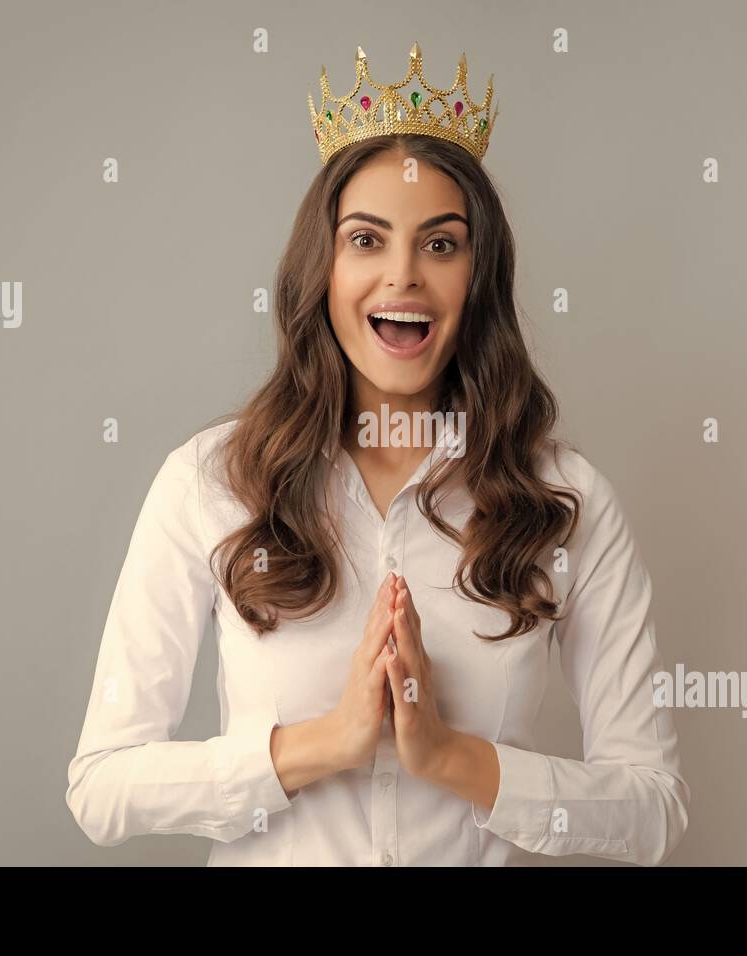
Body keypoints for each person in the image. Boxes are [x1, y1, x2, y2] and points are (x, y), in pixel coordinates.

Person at [65, 41, 690, 866]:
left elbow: (654, 808)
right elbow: (102, 787)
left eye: (441, 245)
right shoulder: (212, 483)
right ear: (321, 268)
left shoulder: (564, 501)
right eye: (366, 240)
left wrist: (449, 757)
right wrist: (324, 744)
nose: (404, 276)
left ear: (481, 274)